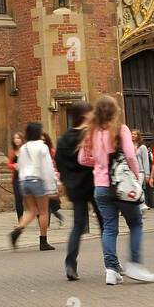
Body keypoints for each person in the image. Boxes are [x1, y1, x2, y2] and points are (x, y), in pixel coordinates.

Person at [78, 95, 154, 284]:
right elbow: (130, 156)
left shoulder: (91, 132)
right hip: (122, 185)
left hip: (101, 186)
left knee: (109, 228)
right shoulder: (121, 129)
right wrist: (136, 177)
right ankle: (135, 265)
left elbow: (82, 159)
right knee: (135, 224)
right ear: (115, 111)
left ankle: (111, 270)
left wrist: (99, 163)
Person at [57, 101, 96, 280]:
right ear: (85, 115)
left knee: (78, 226)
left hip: (75, 187)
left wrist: (67, 182)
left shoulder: (63, 139)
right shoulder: (89, 135)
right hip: (93, 183)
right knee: (106, 225)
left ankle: (70, 265)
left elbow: (59, 164)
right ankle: (112, 264)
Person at [10, 123, 57, 251]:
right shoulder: (42, 147)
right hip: (38, 180)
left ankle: (18, 229)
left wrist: (22, 181)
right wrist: (52, 186)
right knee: (43, 212)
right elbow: (47, 167)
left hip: (25, 181)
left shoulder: (24, 148)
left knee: (31, 210)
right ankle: (43, 241)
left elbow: (20, 166)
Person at [7, 132, 25, 220]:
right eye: (14, 138)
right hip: (16, 178)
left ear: (22, 139)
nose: (16, 140)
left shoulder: (25, 150)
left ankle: (39, 217)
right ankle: (20, 221)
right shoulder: (12, 152)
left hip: (26, 177)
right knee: (18, 199)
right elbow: (8, 164)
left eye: (18, 138)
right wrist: (14, 166)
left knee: (31, 200)